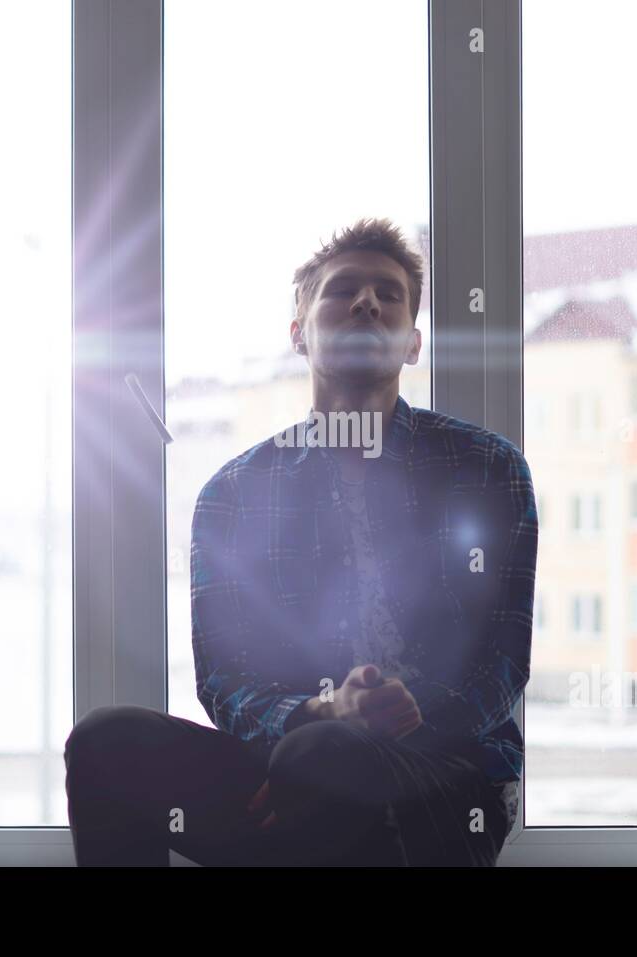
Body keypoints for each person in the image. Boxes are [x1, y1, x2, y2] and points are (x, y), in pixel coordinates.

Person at [64, 216, 538, 866]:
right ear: (299, 333)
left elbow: (502, 663)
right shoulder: (234, 493)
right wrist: (316, 709)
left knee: (324, 758)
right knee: (105, 741)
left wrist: (396, 717)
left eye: (389, 293)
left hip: (445, 784)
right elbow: (226, 681)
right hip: (281, 773)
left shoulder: (485, 467)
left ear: (413, 343)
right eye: (342, 289)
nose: (367, 301)